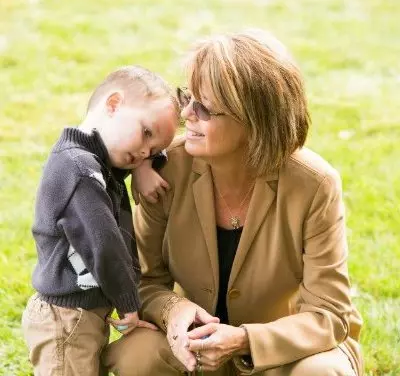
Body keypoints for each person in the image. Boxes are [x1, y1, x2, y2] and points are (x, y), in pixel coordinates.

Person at [104, 30, 363, 376]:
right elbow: (141, 278)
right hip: (190, 345)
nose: (187, 115)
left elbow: (329, 313)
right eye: (187, 98)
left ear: (256, 121)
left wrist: (245, 340)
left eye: (204, 108)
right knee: (135, 356)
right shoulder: (165, 170)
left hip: (281, 354)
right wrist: (174, 311)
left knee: (320, 373)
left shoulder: (315, 185)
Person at [21, 65, 179, 376]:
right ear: (113, 104)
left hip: (80, 314)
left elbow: (131, 158)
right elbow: (104, 243)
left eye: (154, 149)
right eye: (146, 133)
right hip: (65, 317)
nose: (147, 150)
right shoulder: (80, 170)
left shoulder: (95, 163)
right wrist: (128, 301)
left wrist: (142, 166)